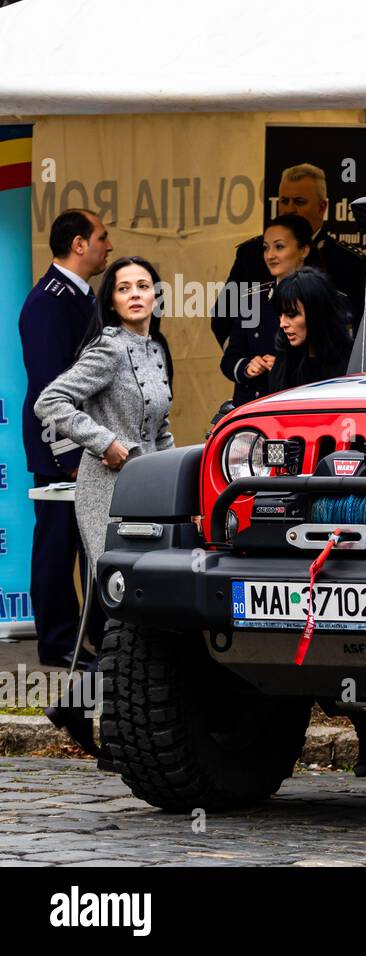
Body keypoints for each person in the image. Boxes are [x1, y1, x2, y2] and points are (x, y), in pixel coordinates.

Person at [35, 256, 174, 755]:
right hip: (107, 494)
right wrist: (103, 442)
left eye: (143, 286)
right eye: (124, 288)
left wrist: (175, 476)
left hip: (149, 495)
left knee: (145, 613)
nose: (135, 294)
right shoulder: (106, 350)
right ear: (111, 300)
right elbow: (50, 402)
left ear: (156, 294)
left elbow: (158, 430)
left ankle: (79, 709)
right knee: (124, 612)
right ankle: (112, 730)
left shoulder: (156, 348)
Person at [263, 267, 366, 775]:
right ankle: (286, 745)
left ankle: (365, 727)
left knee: (328, 632)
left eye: (294, 313)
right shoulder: (285, 359)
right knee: (291, 631)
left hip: (338, 501)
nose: (286, 324)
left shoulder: (351, 357)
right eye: (282, 314)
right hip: (291, 500)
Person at [20, 209, 112, 667]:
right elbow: (48, 387)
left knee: (92, 544)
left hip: (89, 443)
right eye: (101, 237)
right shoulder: (48, 302)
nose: (107, 246)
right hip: (63, 449)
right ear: (79, 244)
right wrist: (72, 453)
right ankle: (57, 643)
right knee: (57, 547)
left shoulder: (79, 295)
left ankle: (93, 638)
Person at [210, 163, 366, 346]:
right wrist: (244, 363)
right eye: (284, 201)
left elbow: (361, 328)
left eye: (299, 202)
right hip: (265, 369)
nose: (290, 209)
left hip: (325, 371)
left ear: (322, 207)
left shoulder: (349, 262)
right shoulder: (252, 254)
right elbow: (223, 314)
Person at [220, 214, 311, 406]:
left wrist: (284, 366)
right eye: (266, 248)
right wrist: (247, 367)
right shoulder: (252, 300)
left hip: (299, 407)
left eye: (279, 247)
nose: (270, 255)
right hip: (253, 410)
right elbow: (229, 360)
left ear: (303, 250)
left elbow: (335, 364)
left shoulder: (324, 299)